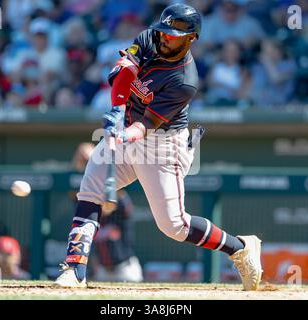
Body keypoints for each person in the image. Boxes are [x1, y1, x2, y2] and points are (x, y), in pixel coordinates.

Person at [55, 4, 262, 291]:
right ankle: (75, 269)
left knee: (174, 227)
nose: (165, 38)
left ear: (191, 38)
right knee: (91, 188)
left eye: (174, 35)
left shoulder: (185, 81)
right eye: (165, 32)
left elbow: (145, 126)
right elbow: (125, 70)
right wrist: (116, 108)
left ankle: (240, 248)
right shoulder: (150, 37)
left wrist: (124, 135)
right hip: (126, 128)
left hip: (162, 145)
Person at [71, 142, 143, 283]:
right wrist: (83, 167)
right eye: (85, 162)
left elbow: (110, 205)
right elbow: (78, 195)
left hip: (126, 269)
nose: (86, 164)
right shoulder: (83, 200)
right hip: (102, 270)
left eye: (89, 162)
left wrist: (97, 164)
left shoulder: (118, 194)